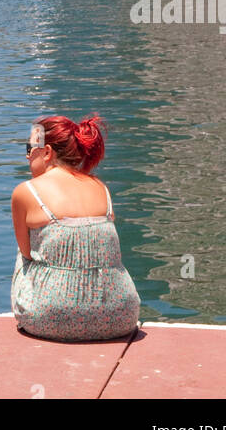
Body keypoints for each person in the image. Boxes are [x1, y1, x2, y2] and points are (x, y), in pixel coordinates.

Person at [10, 114, 140, 341]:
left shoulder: (27, 191)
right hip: (120, 317)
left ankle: (55, 304)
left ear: (47, 152)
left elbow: (26, 253)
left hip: (50, 319)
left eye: (30, 148)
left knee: (24, 254)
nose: (27, 156)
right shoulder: (101, 187)